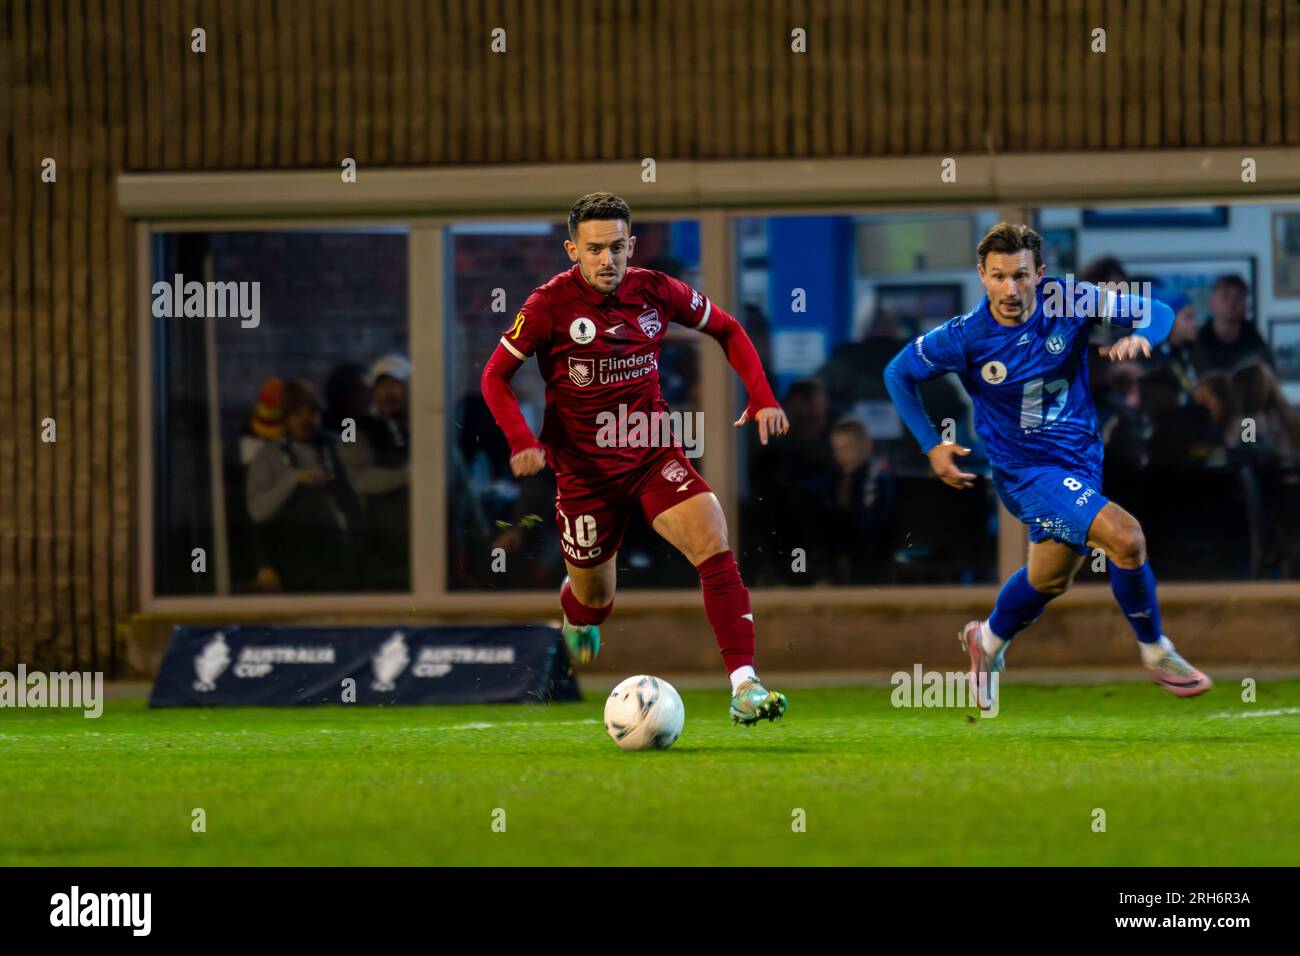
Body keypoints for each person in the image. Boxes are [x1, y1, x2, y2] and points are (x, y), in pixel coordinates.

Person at [480, 192, 792, 726]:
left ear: (632, 246)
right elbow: (494, 377)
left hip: (651, 452)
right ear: (572, 250)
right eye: (595, 249)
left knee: (712, 543)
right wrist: (521, 439)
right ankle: (576, 609)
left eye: (617, 247)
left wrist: (762, 395)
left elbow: (727, 329)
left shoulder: (655, 291)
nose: (608, 260)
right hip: (583, 474)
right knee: (594, 601)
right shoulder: (547, 306)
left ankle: (745, 685)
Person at [884, 222, 1212, 711]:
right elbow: (899, 373)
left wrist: (1143, 337)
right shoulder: (966, 336)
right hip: (1025, 472)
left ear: (1040, 272)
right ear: (982, 275)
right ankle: (1156, 650)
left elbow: (1157, 311)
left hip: (1080, 461)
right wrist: (933, 446)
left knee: (1050, 579)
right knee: (1126, 538)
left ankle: (989, 641)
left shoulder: (1070, 300)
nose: (1009, 289)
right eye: (997, 277)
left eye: (1019, 276)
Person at [246, 379, 365, 592]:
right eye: (297, 414)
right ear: (286, 418)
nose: (306, 420)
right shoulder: (267, 456)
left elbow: (360, 493)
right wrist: (293, 480)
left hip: (342, 555)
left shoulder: (337, 447)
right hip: (293, 557)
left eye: (312, 413)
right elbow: (257, 512)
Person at [338, 354, 411, 590]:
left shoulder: (425, 429)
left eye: (396, 385)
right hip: (381, 544)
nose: (389, 392)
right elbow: (361, 481)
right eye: (382, 385)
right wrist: (412, 475)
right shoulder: (359, 429)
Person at [826, 418, 896, 582]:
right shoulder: (838, 478)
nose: (842, 456)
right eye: (837, 450)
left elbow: (875, 520)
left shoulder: (876, 476)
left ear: (866, 446)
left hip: (872, 550)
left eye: (848, 448)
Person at [1194, 274, 1274, 374]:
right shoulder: (1197, 342)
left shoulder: (1256, 343)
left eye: (1238, 297)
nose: (1231, 303)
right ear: (1211, 302)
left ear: (1245, 305)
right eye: (1225, 296)